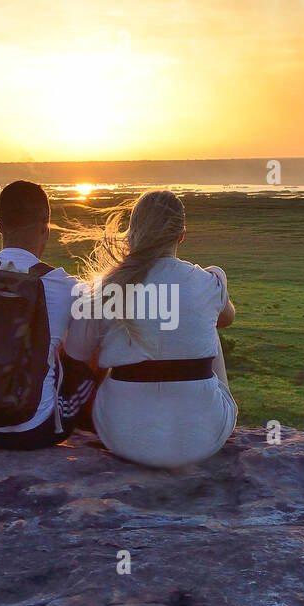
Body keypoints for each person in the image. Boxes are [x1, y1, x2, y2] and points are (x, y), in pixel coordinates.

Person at [63, 189, 237, 468]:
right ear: (181, 235)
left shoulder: (106, 288)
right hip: (203, 438)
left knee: (101, 334)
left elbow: (76, 352)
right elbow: (227, 318)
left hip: (123, 436)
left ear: (132, 233)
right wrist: (215, 279)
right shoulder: (208, 281)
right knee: (210, 325)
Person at [0, 180, 97, 449]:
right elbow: (83, 350)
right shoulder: (68, 287)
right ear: (45, 226)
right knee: (81, 355)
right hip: (34, 430)